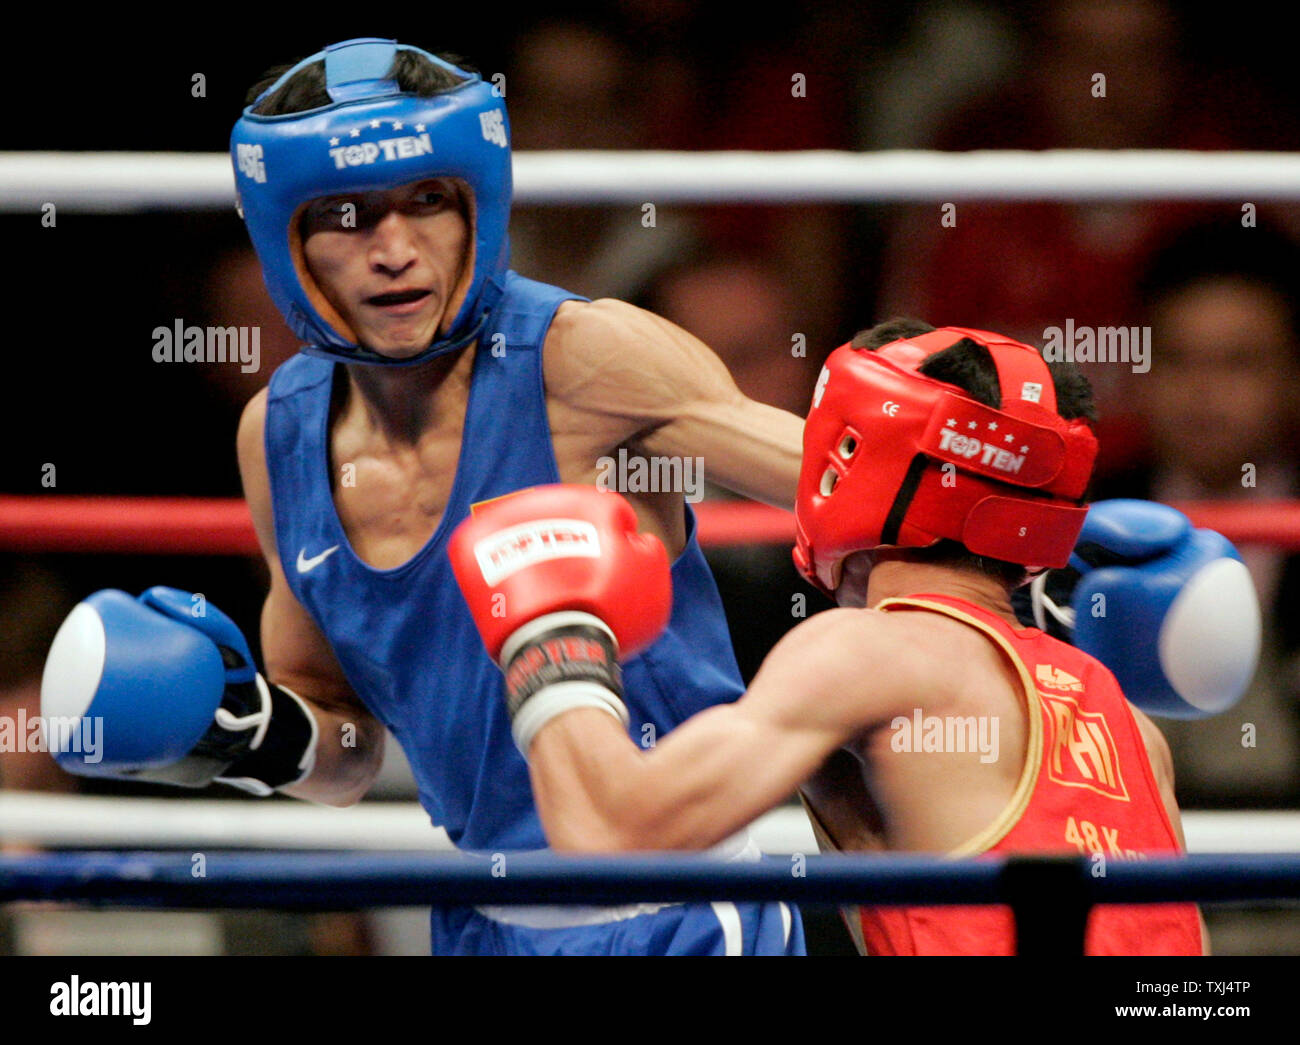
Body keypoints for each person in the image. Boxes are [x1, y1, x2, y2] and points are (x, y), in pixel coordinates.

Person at [39, 40, 1251, 957]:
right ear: (285, 241)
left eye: (426, 204)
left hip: (683, 882)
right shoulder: (280, 439)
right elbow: (346, 748)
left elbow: (858, 475)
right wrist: (248, 734)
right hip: (487, 906)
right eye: (346, 218)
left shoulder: (589, 356)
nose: (394, 249)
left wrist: (1081, 540)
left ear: (480, 204)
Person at [448, 321, 1261, 955]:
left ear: (856, 461)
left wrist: (553, 639)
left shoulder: (865, 649)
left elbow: (610, 837)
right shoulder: (1126, 719)